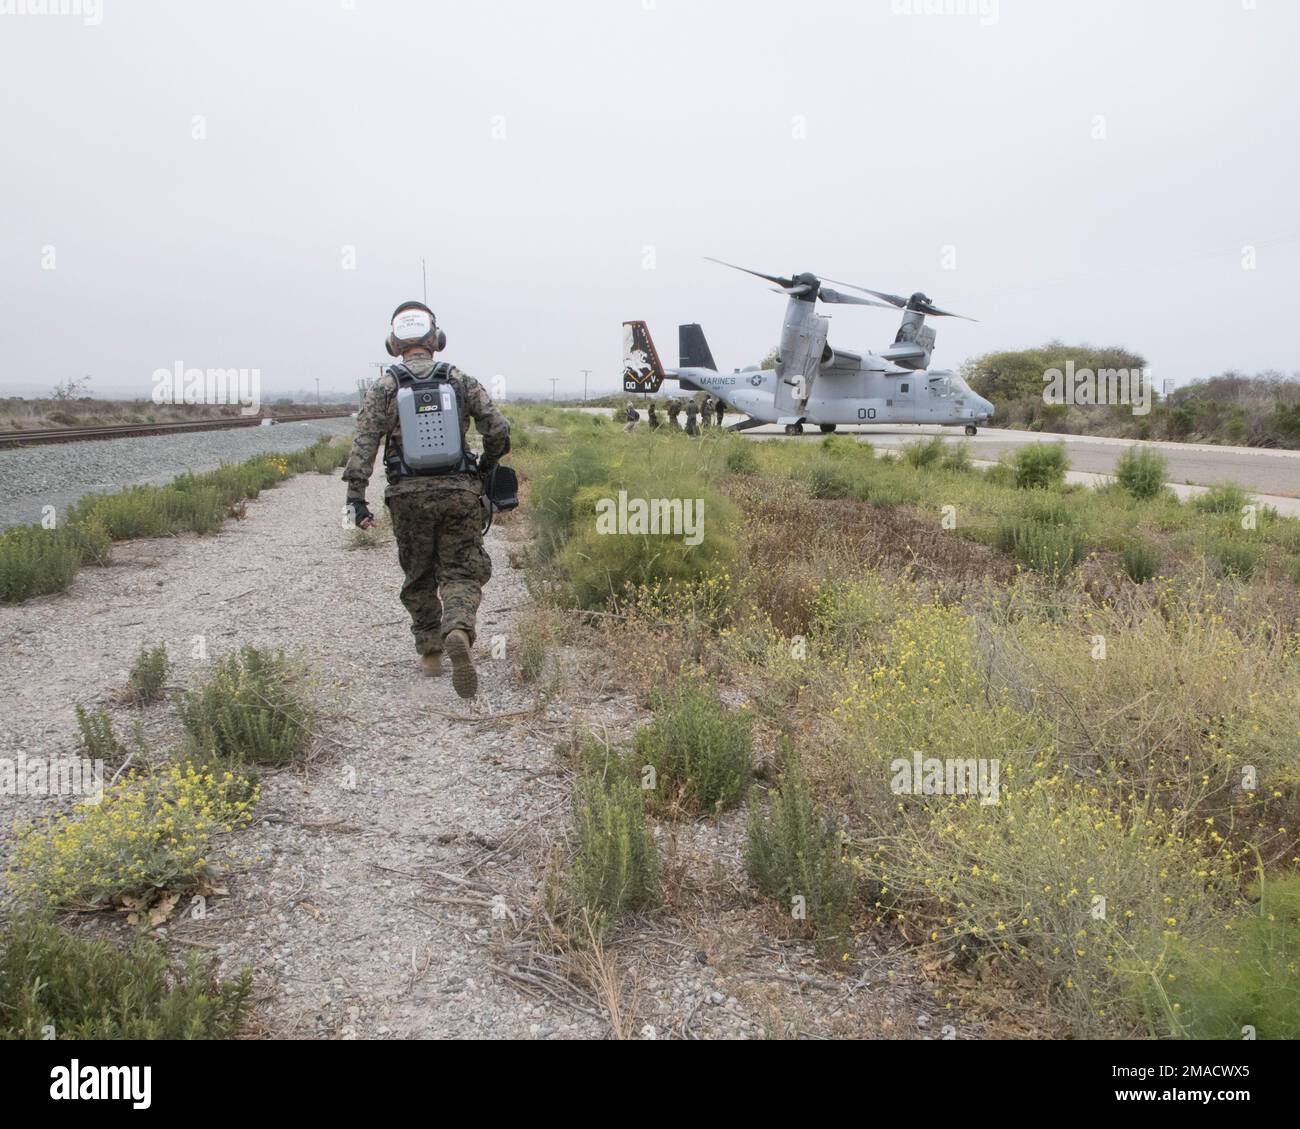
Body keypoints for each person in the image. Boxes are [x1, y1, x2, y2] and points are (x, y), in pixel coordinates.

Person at [343, 300, 510, 699]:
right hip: (459, 492)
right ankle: (458, 628)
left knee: (418, 574)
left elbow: (364, 444)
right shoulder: (459, 380)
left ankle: (431, 653)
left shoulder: (384, 388)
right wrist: (486, 467)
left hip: (407, 496)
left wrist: (357, 499)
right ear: (437, 340)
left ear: (393, 344)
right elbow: (499, 429)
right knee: (462, 571)